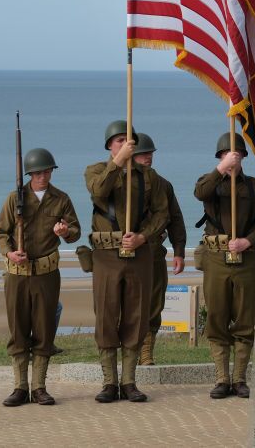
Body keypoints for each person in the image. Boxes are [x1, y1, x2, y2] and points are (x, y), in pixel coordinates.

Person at [85, 120, 169, 403]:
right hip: (106, 255)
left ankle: (129, 381)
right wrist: (118, 162)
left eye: (128, 140)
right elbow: (99, 191)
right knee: (106, 315)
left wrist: (143, 237)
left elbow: (161, 213)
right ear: (109, 145)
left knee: (136, 315)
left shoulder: (149, 176)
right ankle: (109, 382)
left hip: (138, 253)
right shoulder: (95, 170)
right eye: (119, 140)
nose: (125, 144)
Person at [0, 147, 80, 406]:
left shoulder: (61, 199)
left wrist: (64, 232)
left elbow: (75, 231)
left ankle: (39, 387)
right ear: (30, 174)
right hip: (17, 275)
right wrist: (10, 253)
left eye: (47, 171)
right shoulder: (14, 199)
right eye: (38, 172)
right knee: (18, 329)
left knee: (44, 329)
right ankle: (20, 387)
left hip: (46, 274)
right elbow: (0, 232)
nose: (43, 176)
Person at [195, 133, 255, 399]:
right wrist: (221, 169)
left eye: (235, 154)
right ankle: (221, 378)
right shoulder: (209, 182)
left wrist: (248, 241)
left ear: (243, 156)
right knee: (217, 317)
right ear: (219, 156)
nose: (231, 157)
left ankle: (239, 379)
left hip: (245, 260)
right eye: (226, 154)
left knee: (245, 319)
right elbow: (200, 193)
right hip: (216, 258)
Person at [131, 133, 186, 366]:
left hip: (153, 253)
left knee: (154, 303)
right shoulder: (120, 183)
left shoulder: (163, 185)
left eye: (150, 153)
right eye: (143, 154)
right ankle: (128, 352)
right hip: (126, 254)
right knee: (127, 305)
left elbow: (175, 219)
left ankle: (146, 352)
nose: (148, 157)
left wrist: (179, 251)